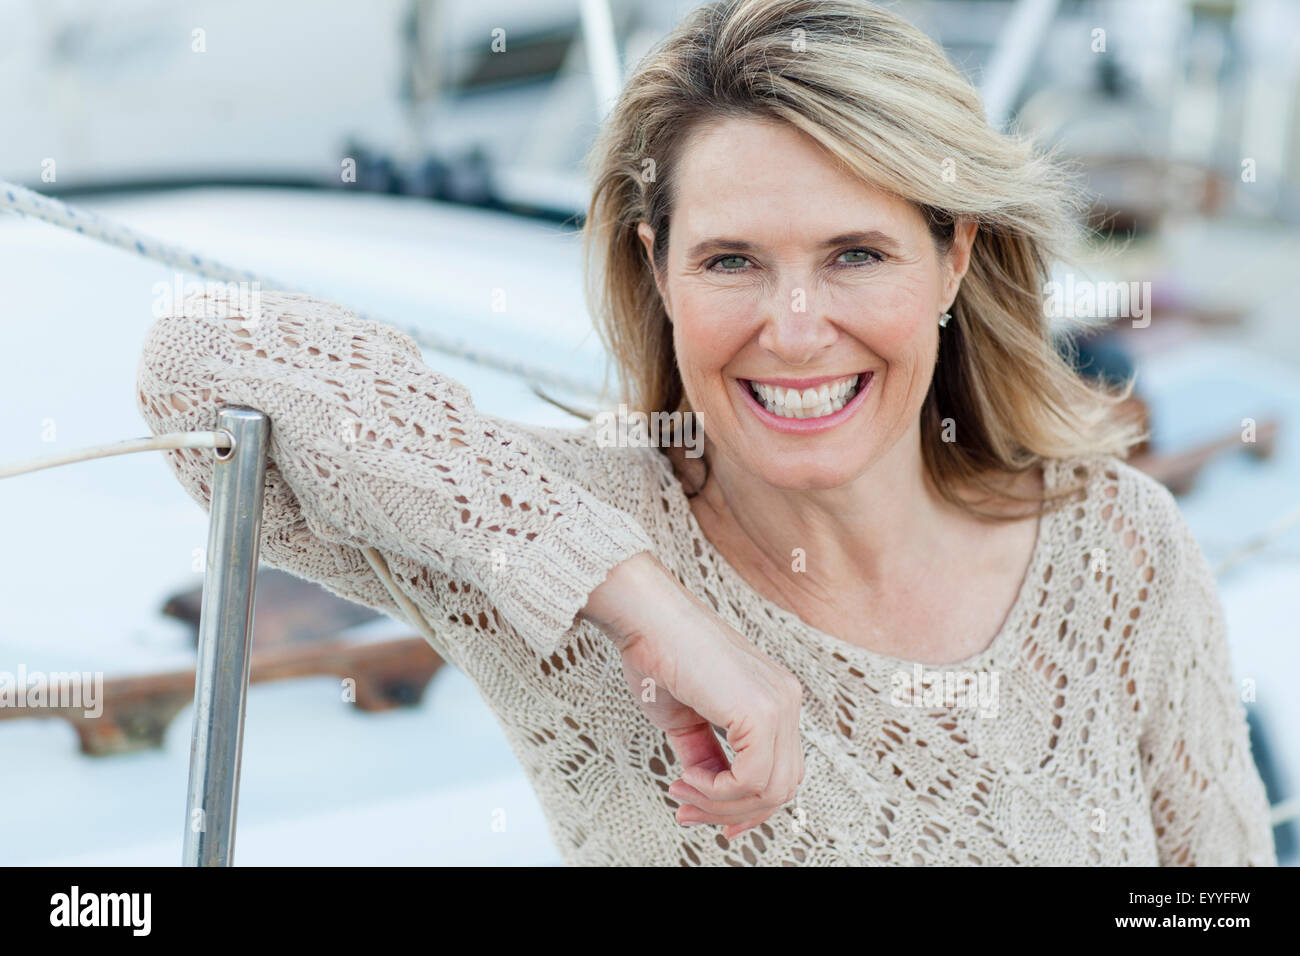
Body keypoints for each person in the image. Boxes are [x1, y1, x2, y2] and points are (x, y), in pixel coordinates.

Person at [135, 0, 1275, 865]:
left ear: (955, 256)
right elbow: (193, 366)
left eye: (855, 254)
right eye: (731, 260)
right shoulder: (571, 547)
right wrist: (648, 603)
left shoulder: (1117, 546)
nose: (793, 329)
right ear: (658, 269)